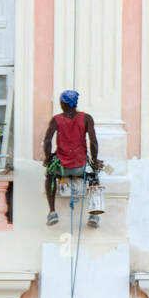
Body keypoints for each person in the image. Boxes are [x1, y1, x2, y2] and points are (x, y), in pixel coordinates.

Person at [42, 90, 101, 228]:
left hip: (61, 168)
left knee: (49, 177)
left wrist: (48, 157)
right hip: (80, 166)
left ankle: (52, 212)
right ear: (75, 103)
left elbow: (47, 141)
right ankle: (94, 214)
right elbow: (93, 142)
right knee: (94, 178)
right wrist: (95, 159)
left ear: (62, 103)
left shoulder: (56, 119)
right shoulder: (87, 118)